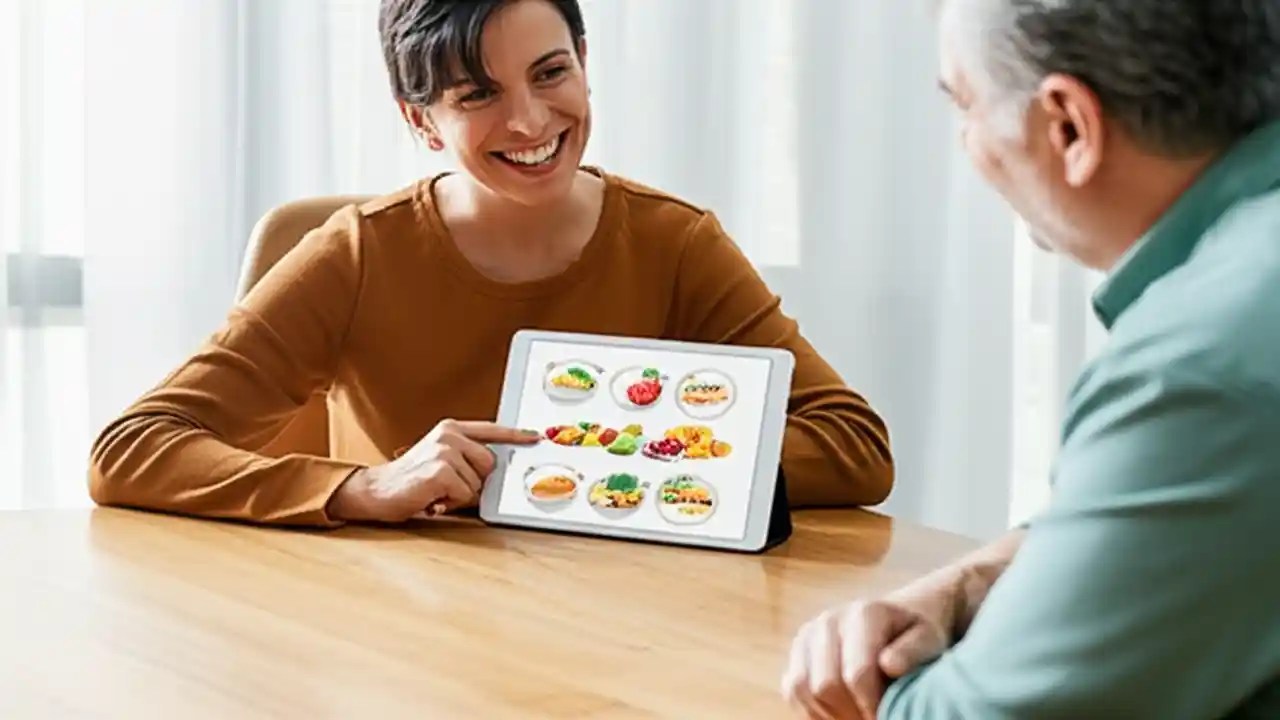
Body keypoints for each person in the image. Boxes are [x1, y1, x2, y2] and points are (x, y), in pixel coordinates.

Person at [86, 0, 893, 527]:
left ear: (583, 57)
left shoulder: (675, 242)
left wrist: (630, 449)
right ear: (422, 121)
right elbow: (132, 447)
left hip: (628, 632)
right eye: (477, 95)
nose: (531, 120)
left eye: (551, 73)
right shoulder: (359, 253)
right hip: (398, 639)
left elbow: (854, 445)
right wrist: (361, 488)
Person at [782, 0, 1280, 718]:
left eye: (966, 105)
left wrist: (886, 684)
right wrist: (963, 589)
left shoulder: (1200, 365)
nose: (968, 144)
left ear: (1069, 126)